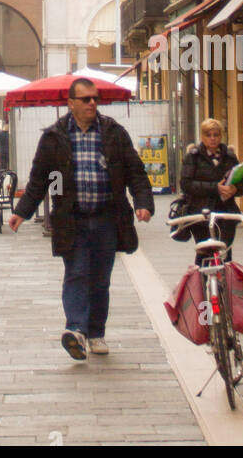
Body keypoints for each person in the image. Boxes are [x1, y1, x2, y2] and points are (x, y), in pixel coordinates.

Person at [8, 76, 153, 361]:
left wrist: (143, 203)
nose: (92, 103)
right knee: (76, 273)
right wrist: (21, 212)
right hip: (71, 220)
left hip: (107, 219)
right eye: (86, 99)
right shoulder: (54, 137)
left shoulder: (113, 133)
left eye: (95, 98)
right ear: (71, 103)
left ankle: (96, 332)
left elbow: (135, 172)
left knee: (100, 280)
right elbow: (40, 179)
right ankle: (75, 330)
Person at [178, 118, 243, 263]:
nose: (213, 139)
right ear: (202, 137)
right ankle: (202, 283)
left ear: (221, 136)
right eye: (209, 135)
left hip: (225, 213)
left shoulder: (229, 156)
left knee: (225, 254)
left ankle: (223, 285)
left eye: (216, 135)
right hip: (201, 213)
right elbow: (185, 184)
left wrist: (234, 189)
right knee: (204, 254)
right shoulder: (193, 156)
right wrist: (215, 188)